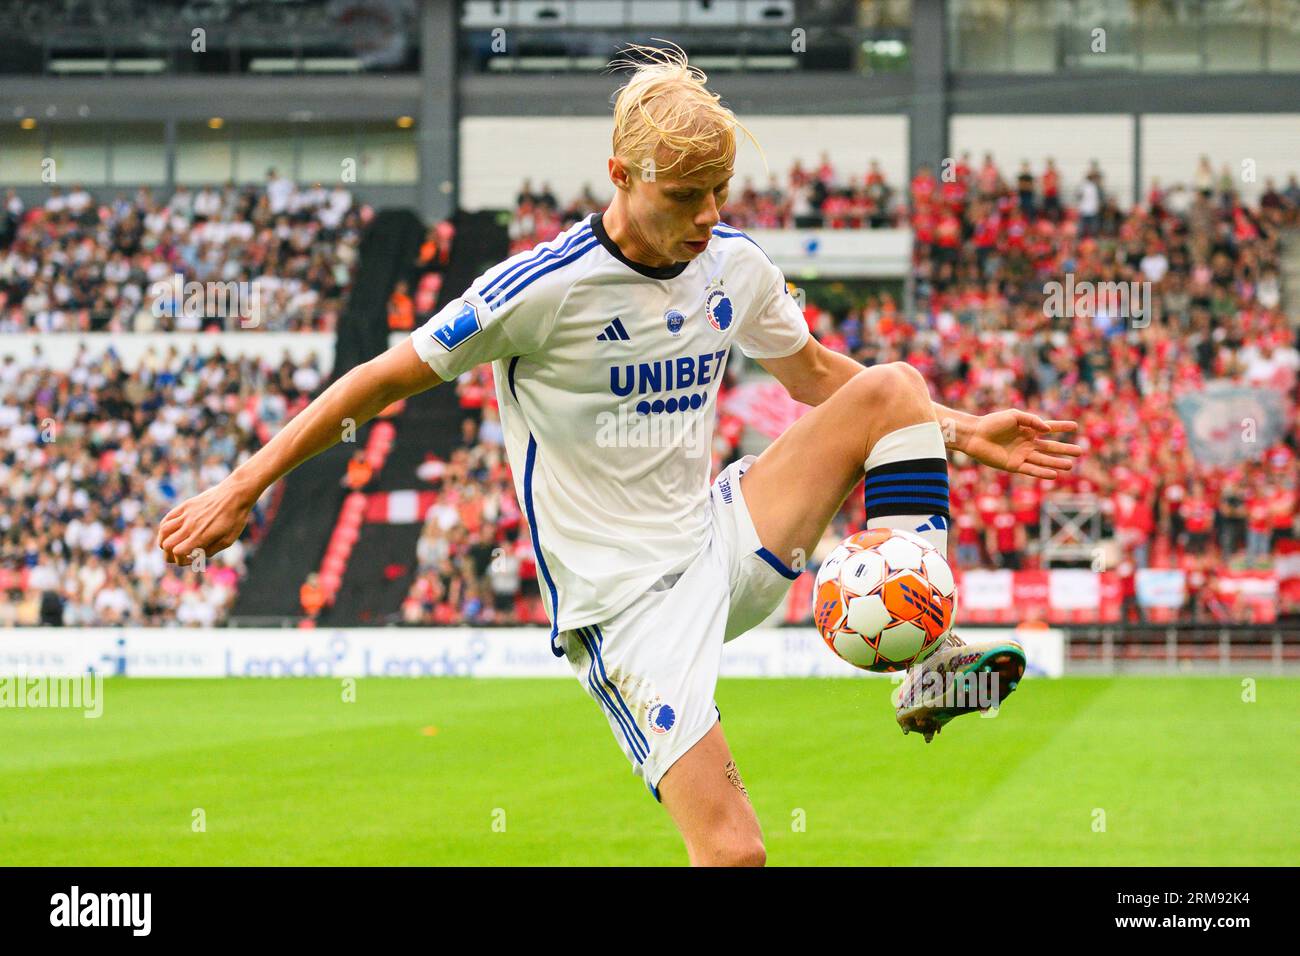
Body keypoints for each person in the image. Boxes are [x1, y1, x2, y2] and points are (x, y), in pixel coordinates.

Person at [156, 44, 1082, 867]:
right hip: (625, 608)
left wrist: (961, 430)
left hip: (722, 535)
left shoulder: (735, 263)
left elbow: (813, 375)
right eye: (684, 196)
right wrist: (244, 487)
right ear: (620, 174)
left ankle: (930, 656)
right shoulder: (538, 290)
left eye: (719, 193)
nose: (706, 215)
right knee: (734, 854)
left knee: (893, 387)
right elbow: (379, 380)